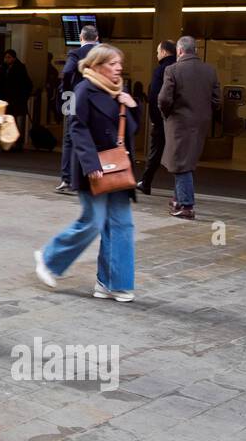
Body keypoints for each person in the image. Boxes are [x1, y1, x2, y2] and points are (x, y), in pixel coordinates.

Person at [35, 44, 140, 302]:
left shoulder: (119, 93)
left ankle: (113, 283)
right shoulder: (84, 89)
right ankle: (49, 259)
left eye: (120, 63)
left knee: (122, 224)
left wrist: (131, 106)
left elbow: (130, 131)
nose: (119, 68)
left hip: (117, 168)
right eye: (113, 63)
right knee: (93, 222)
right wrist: (91, 163)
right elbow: (77, 129)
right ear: (96, 65)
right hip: (92, 169)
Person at [157, 35, 220, 220]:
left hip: (179, 123)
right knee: (185, 160)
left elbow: (163, 99)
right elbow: (217, 100)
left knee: (181, 164)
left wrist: (167, 114)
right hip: (200, 124)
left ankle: (186, 205)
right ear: (196, 50)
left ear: (179, 51)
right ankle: (177, 199)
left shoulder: (173, 69)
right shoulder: (209, 70)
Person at [56, 25, 99, 193]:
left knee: (70, 138)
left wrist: (67, 92)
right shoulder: (104, 52)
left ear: (81, 38)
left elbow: (66, 72)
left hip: (75, 100)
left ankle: (67, 179)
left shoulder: (76, 53)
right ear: (97, 38)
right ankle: (95, 177)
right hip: (98, 101)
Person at [136, 40, 177, 195]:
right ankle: (181, 189)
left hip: (162, 119)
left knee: (156, 152)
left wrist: (155, 118)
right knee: (179, 154)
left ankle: (146, 183)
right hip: (179, 120)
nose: (157, 54)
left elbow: (155, 97)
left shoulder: (160, 70)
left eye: (158, 51)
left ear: (165, 52)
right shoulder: (180, 68)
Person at [0, 49, 33, 152]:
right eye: (6, 57)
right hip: (8, 100)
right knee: (8, 123)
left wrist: (23, 97)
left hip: (17, 100)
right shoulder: (4, 68)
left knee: (17, 123)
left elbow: (26, 84)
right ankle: (8, 143)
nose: (6, 59)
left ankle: (17, 144)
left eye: (9, 57)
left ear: (14, 58)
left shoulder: (20, 68)